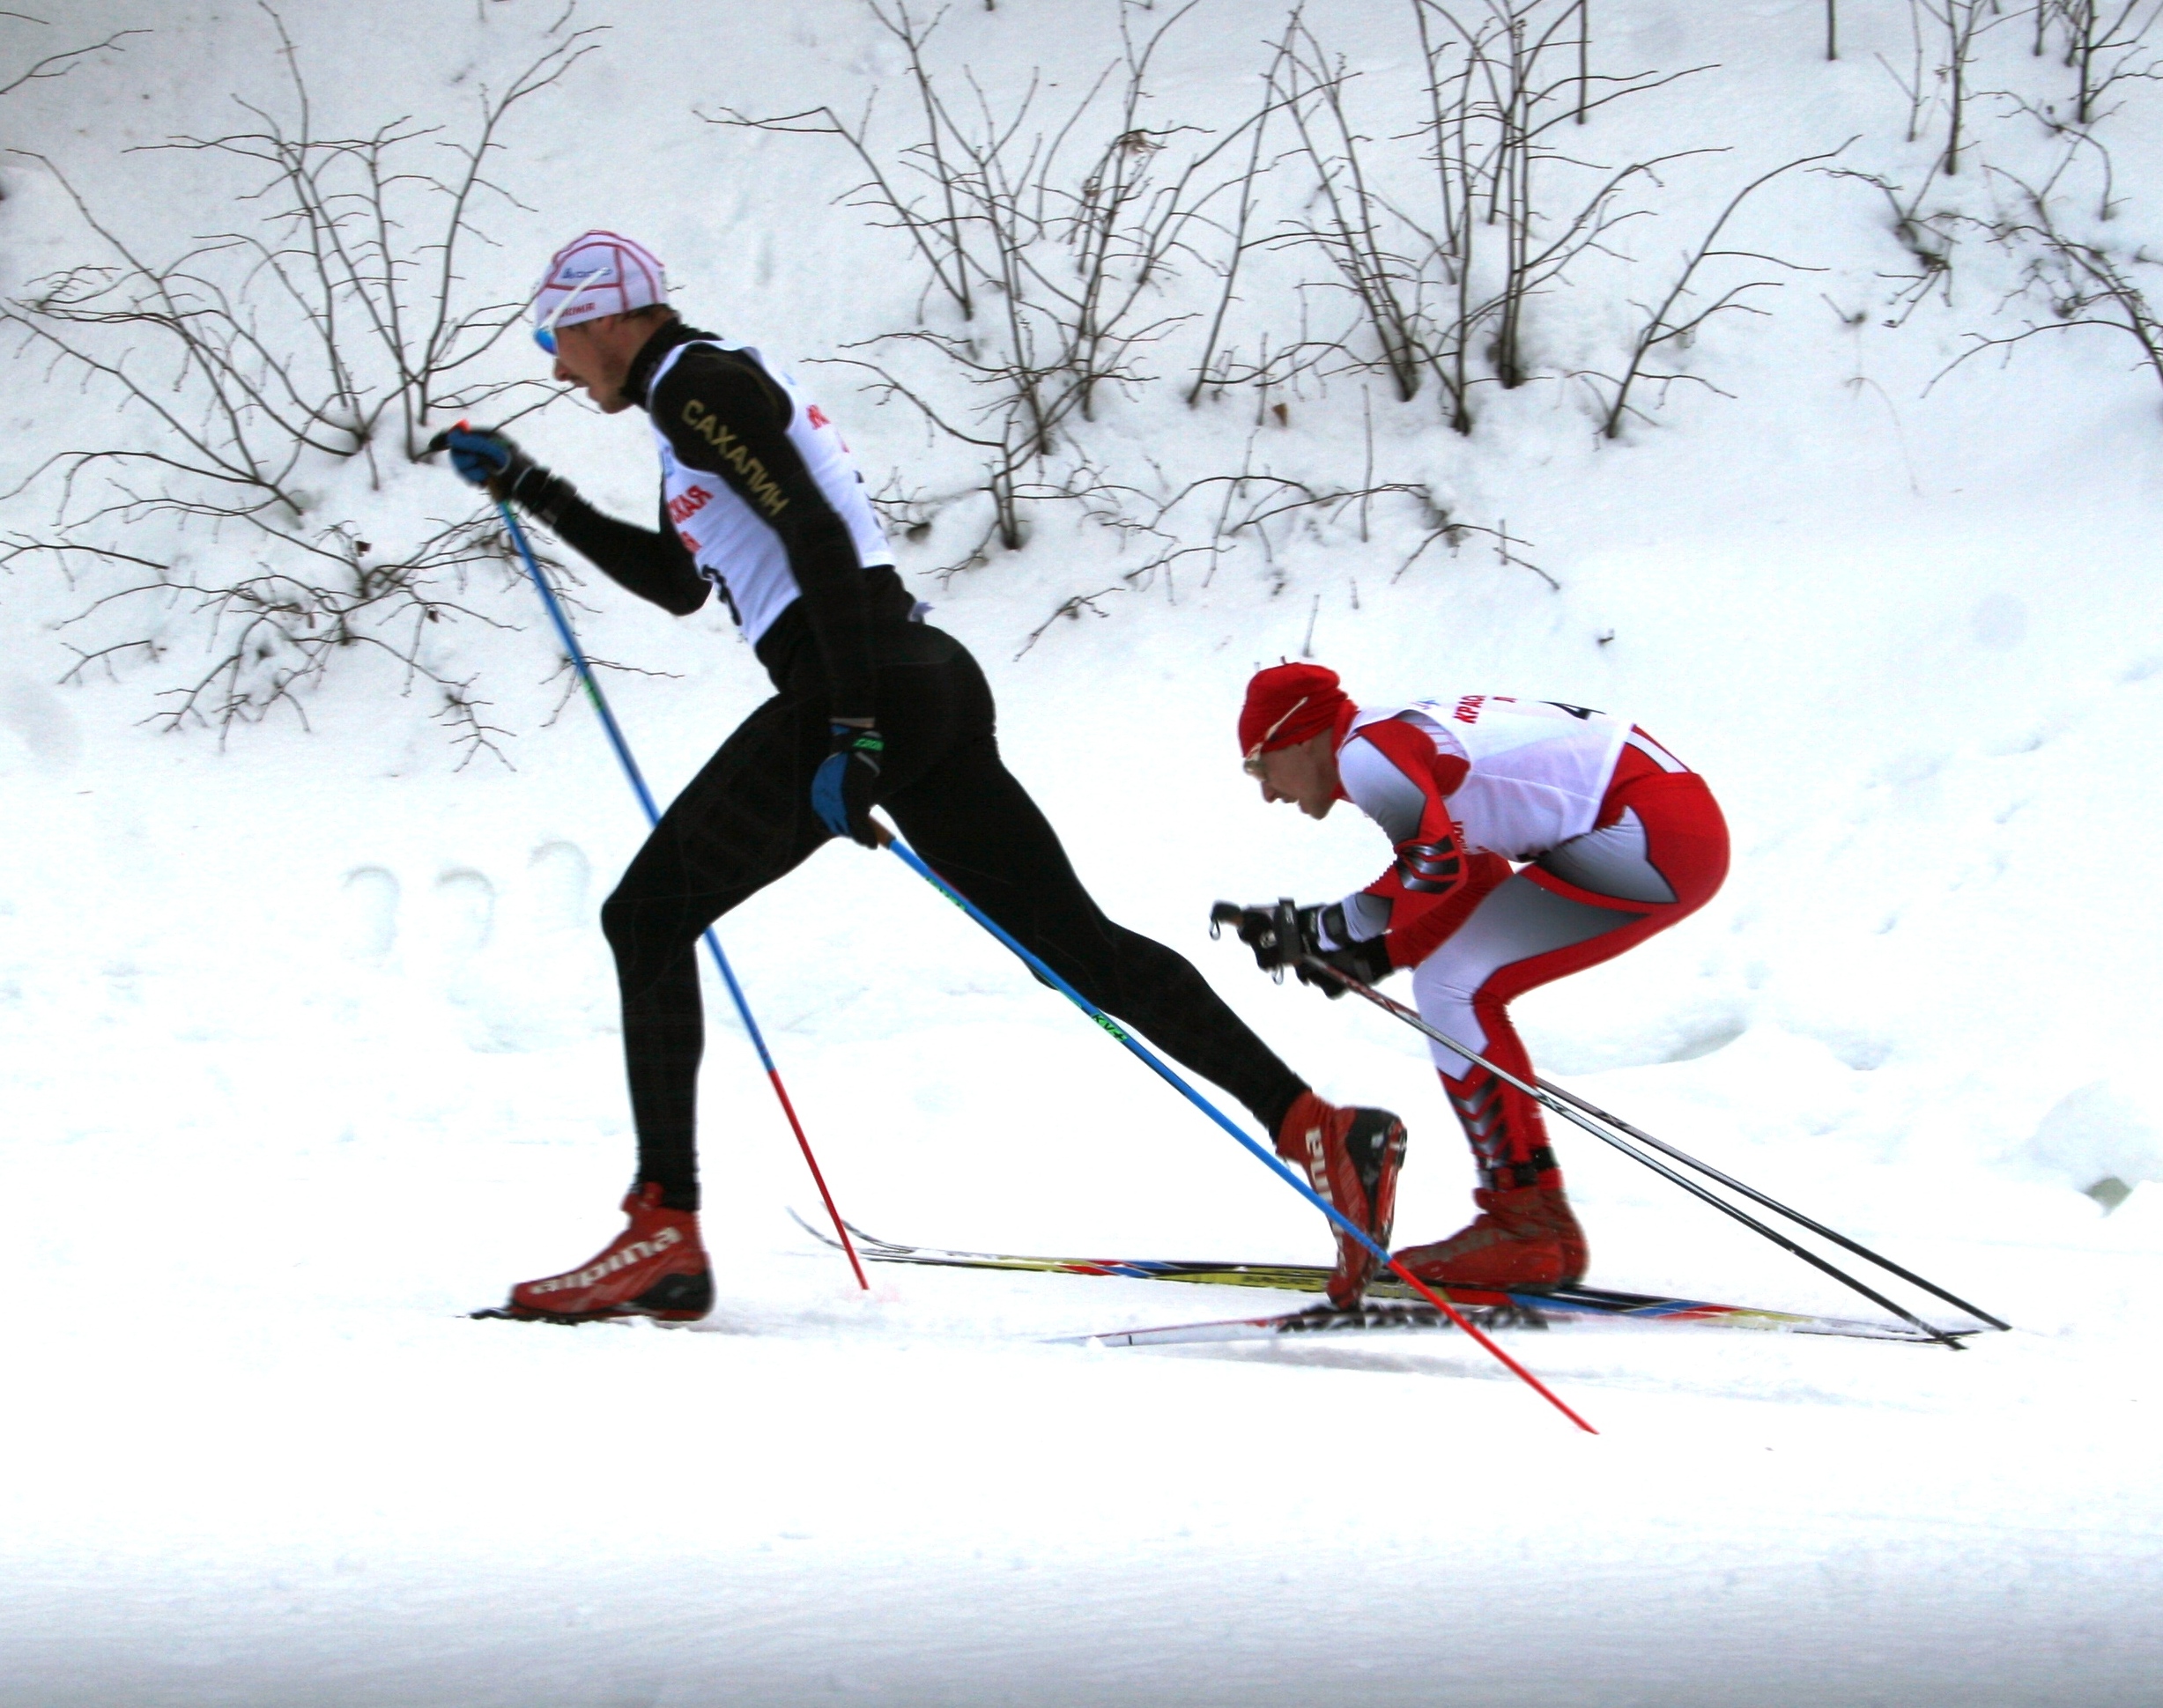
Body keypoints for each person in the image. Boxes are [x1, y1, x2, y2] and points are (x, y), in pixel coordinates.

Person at [434, 232, 1407, 1321]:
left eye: (555, 338)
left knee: (645, 917)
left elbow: (811, 534)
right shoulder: (693, 402)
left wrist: (849, 726)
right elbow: (675, 583)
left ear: (608, 315)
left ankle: (662, 1226)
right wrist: (531, 487)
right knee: (1076, 951)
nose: (556, 366)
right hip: (920, 677)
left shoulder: (696, 386)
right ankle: (1317, 1129)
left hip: (863, 686)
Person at [1220, 662, 1729, 1290]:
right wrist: (1374, 956)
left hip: (1649, 827)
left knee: (1453, 987)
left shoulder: (1367, 756)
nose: (1266, 791)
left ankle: (1525, 1227)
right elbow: (1472, 875)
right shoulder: (1390, 740)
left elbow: (1432, 865)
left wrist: (1323, 930)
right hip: (1666, 820)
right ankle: (1535, 1226)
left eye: (1257, 765)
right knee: (1453, 982)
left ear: (1297, 737)